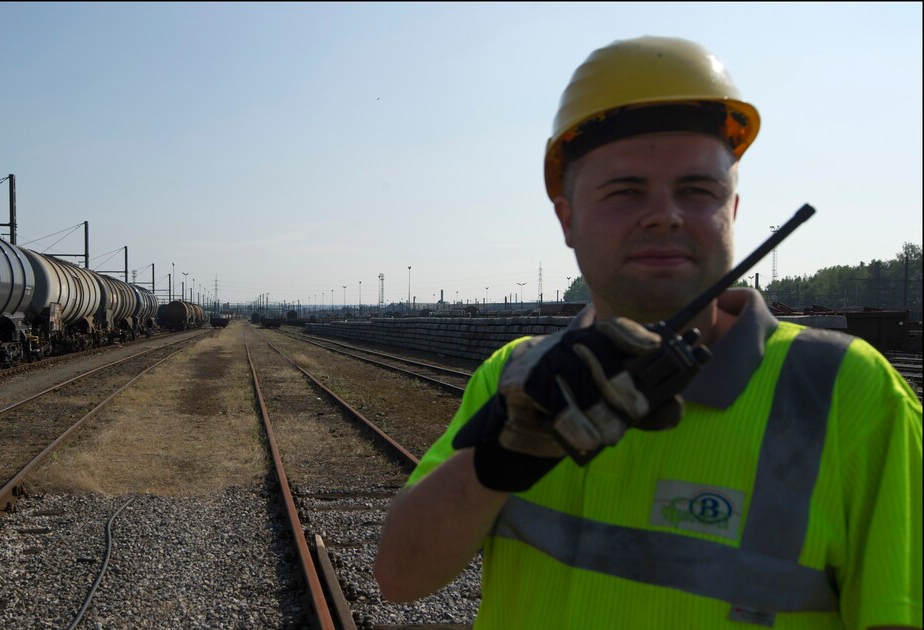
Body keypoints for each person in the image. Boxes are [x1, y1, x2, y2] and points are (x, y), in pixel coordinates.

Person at [374, 35, 922, 630]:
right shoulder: (516, 377)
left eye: (697, 190)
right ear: (567, 218)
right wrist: (498, 459)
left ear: (732, 212)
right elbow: (400, 576)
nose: (664, 213)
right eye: (625, 190)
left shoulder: (849, 396)